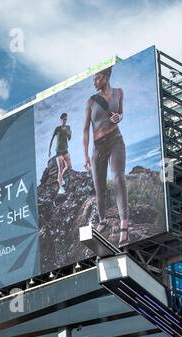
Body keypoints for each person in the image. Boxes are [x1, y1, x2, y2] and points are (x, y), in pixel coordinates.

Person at [83, 65, 130, 245]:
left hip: (116, 139)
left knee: (119, 179)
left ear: (107, 76)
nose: (95, 81)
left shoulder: (119, 92)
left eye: (98, 77)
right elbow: (86, 130)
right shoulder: (91, 101)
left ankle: (124, 225)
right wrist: (86, 155)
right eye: (94, 78)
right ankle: (102, 220)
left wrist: (120, 117)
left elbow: (121, 113)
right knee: (100, 188)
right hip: (98, 147)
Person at [49, 111, 72, 194]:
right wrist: (49, 150)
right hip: (58, 151)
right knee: (60, 167)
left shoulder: (68, 127)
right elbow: (52, 139)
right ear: (61, 120)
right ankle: (60, 188)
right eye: (63, 120)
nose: (64, 121)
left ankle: (60, 178)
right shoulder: (57, 128)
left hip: (65, 150)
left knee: (69, 166)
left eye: (65, 119)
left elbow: (69, 138)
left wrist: (68, 133)